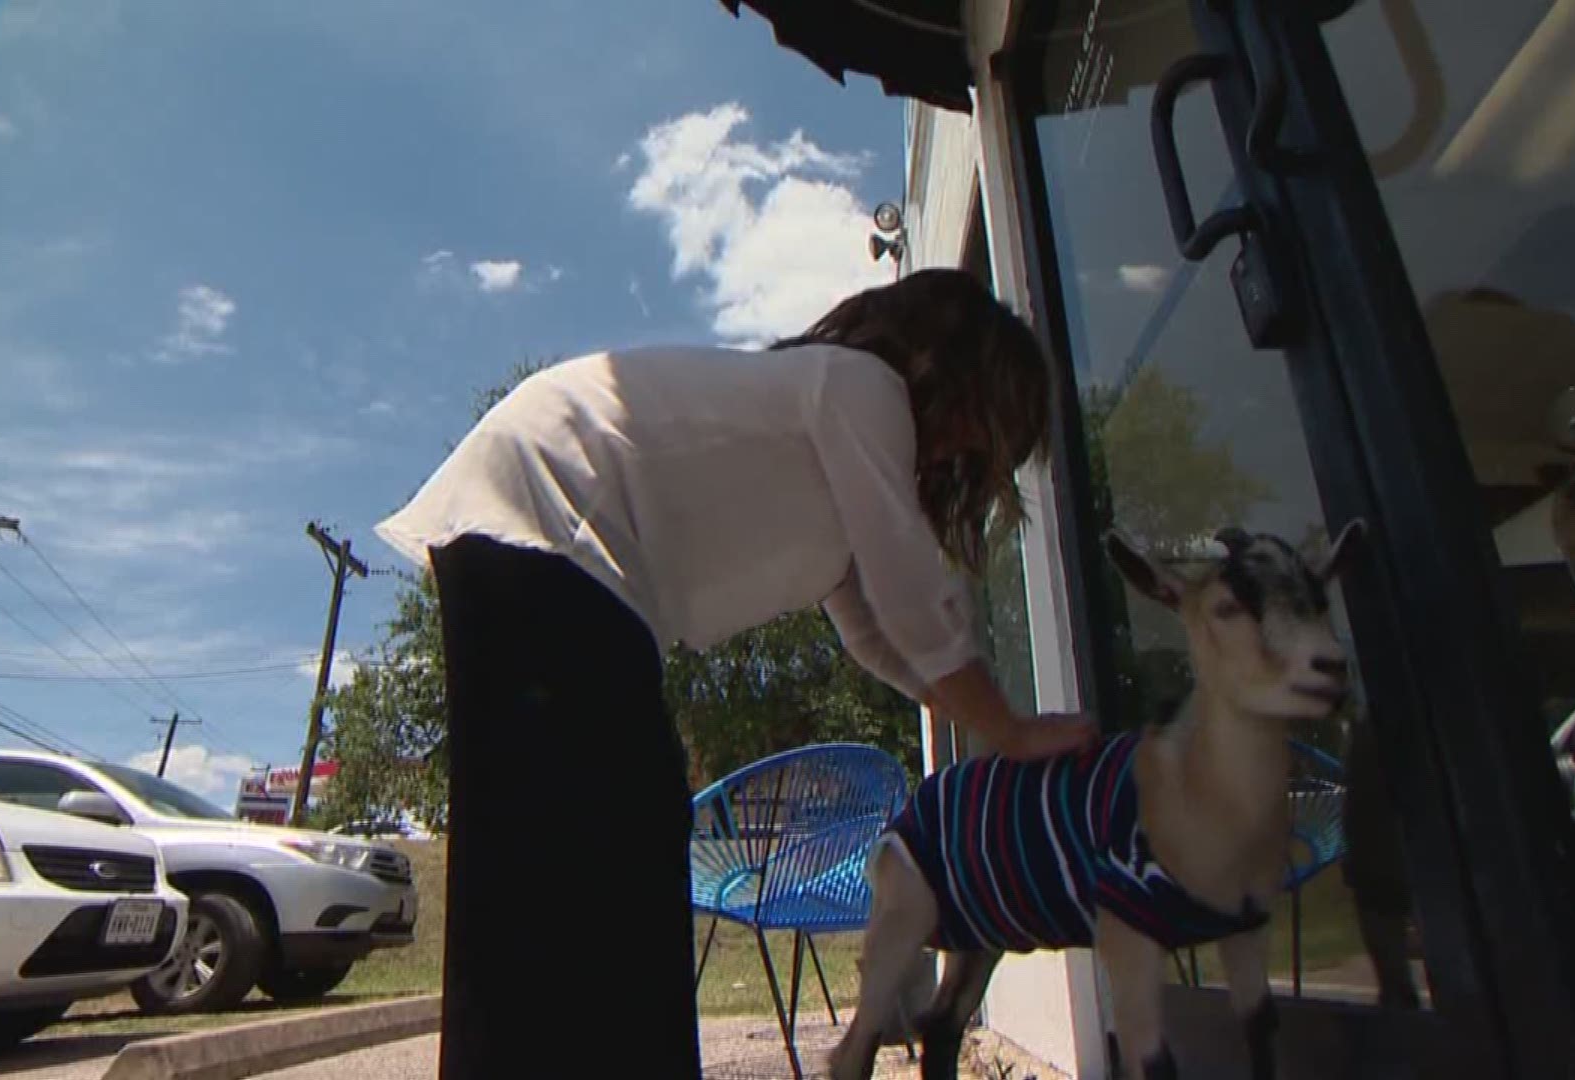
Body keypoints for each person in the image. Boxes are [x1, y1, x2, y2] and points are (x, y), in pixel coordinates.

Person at [373, 268, 1100, 1079]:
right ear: (944, 367)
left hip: (551, 536)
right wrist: (1013, 731)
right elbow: (912, 598)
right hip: (550, 507)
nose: (966, 446)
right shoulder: (863, 391)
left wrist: (982, 722)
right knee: (600, 849)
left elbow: (878, 635)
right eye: (981, 417)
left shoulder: (835, 431)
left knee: (577, 848)